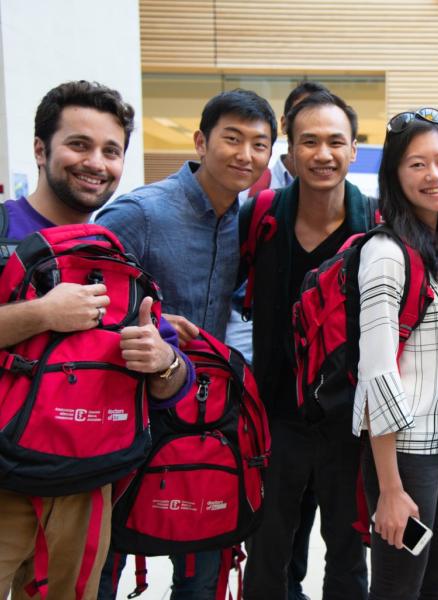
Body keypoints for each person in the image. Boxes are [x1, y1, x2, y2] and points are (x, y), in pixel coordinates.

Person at [0, 80, 192, 599]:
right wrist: (41, 313)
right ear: (41, 149)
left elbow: (174, 378)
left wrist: (164, 360)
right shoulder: (3, 229)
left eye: (111, 151)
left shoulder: (116, 257)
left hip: (86, 486)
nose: (96, 163)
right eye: (79, 145)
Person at [95, 88, 276, 599]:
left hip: (204, 416)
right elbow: (86, 297)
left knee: (202, 567)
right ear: (201, 140)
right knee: (105, 561)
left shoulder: (245, 219)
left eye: (259, 144)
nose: (245, 154)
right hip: (127, 415)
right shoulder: (140, 214)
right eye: (232, 139)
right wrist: (146, 318)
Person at [243, 90, 370, 600]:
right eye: (309, 142)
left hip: (351, 427)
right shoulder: (263, 215)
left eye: (336, 141)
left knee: (347, 556)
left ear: (354, 149)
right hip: (276, 422)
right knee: (271, 558)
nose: (323, 154)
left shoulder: (377, 227)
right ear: (289, 153)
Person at [353, 107, 438, 600]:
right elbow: (377, 375)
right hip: (407, 459)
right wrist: (388, 488)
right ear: (394, 175)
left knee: (434, 586)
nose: (434, 175)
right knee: (397, 590)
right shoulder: (386, 253)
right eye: (417, 164)